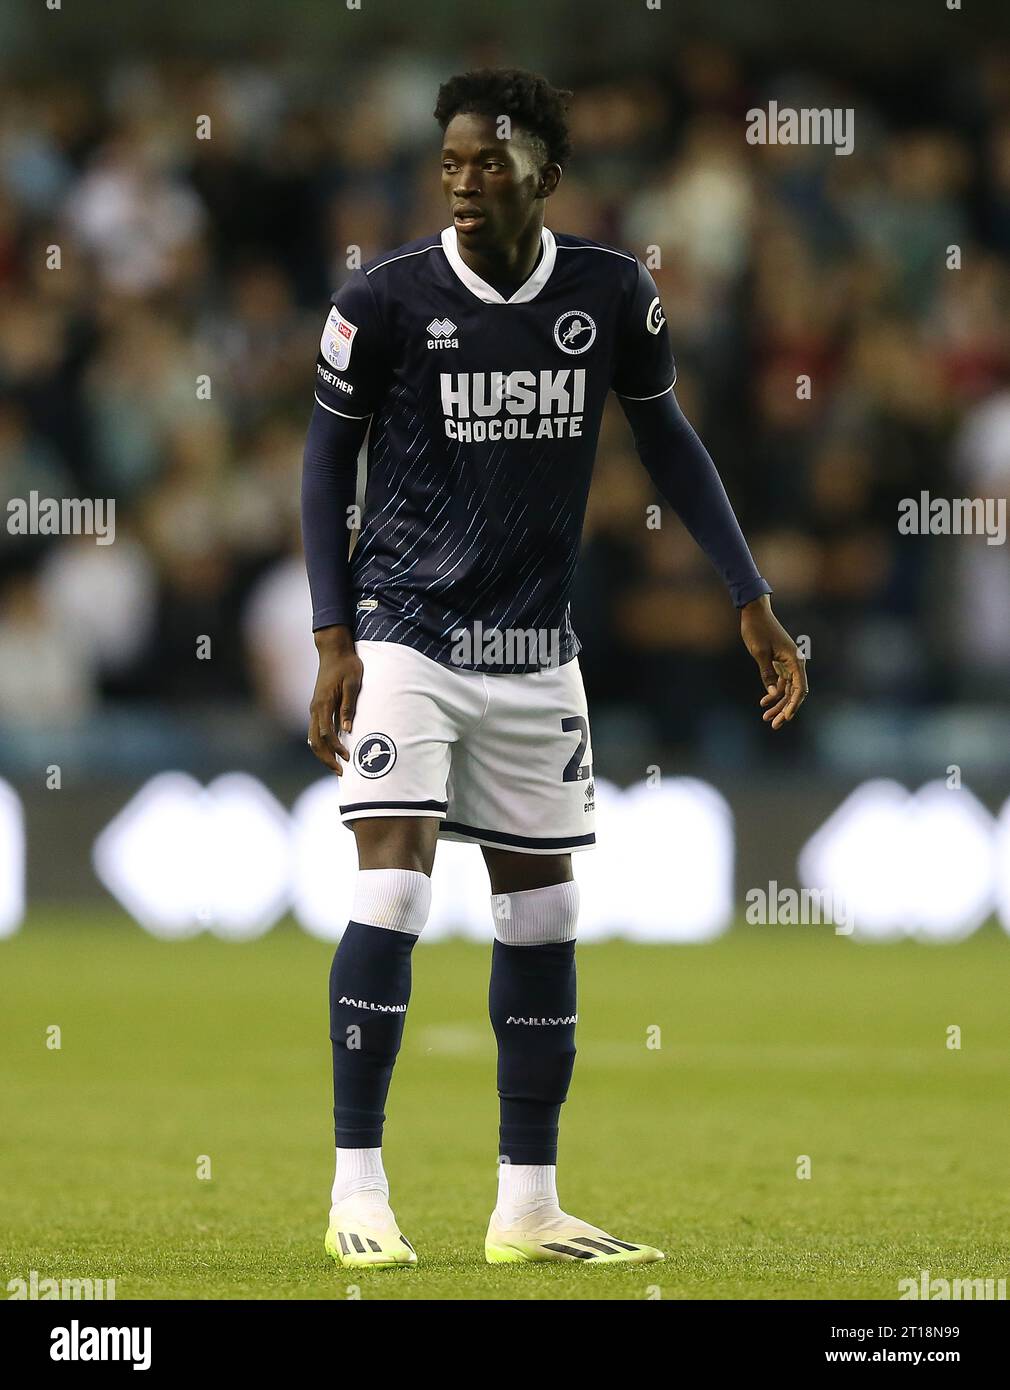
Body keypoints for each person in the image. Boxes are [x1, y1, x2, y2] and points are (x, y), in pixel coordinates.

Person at [301, 67, 807, 1269]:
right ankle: (356, 1191)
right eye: (451, 162)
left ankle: (525, 1207)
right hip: (407, 629)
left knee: (545, 912)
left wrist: (751, 597)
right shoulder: (380, 302)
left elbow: (668, 442)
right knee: (394, 892)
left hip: (535, 645)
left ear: (547, 172)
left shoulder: (611, 293)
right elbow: (325, 467)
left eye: (489, 161)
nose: (464, 181)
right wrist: (334, 636)